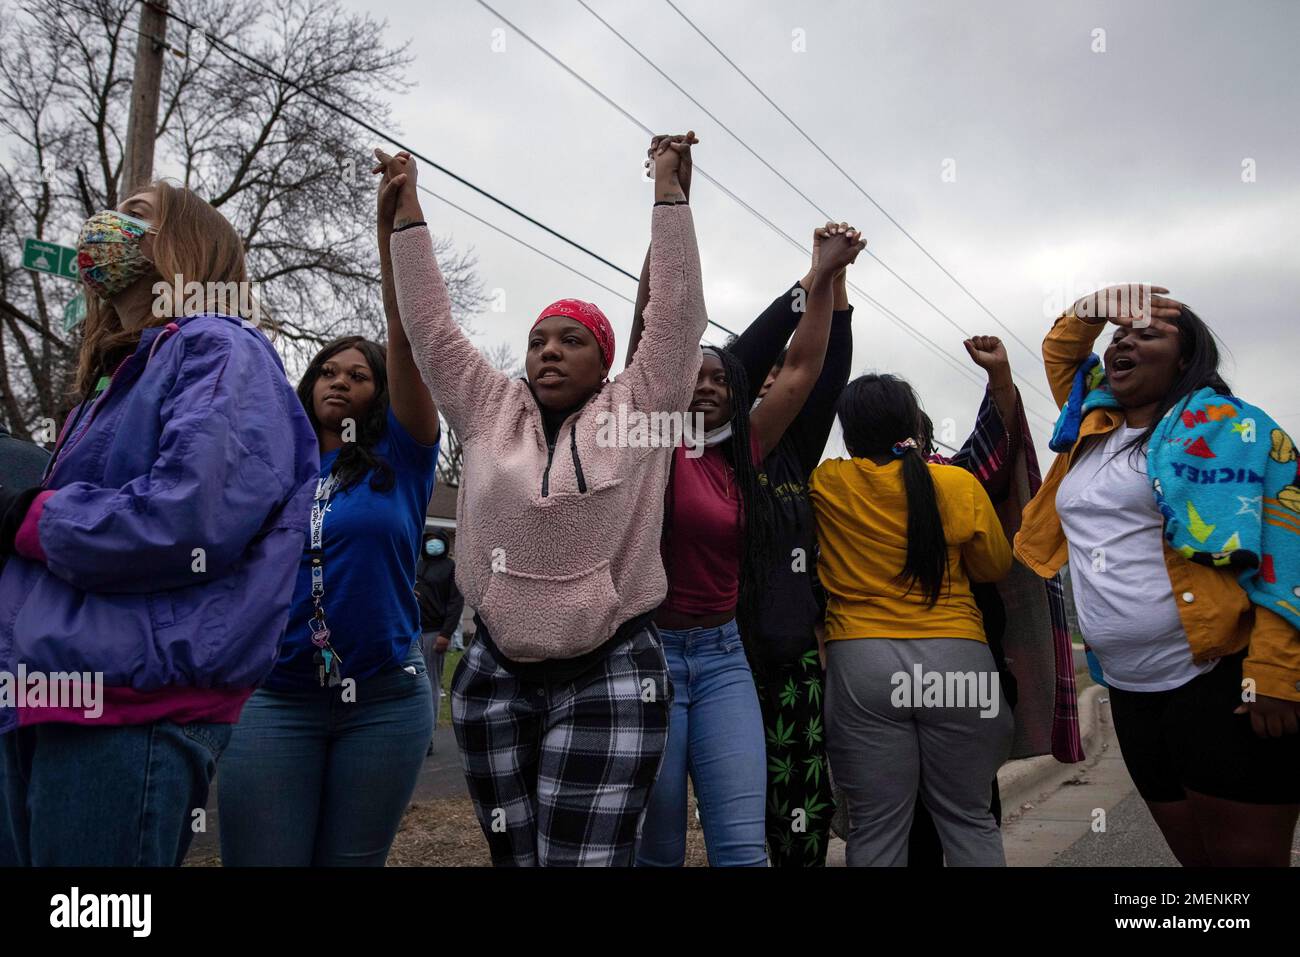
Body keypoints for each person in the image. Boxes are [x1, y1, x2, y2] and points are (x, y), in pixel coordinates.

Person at [378, 133, 708, 866]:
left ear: (605, 358)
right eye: (536, 341)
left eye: (570, 340)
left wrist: (668, 191)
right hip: (495, 675)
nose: (548, 351)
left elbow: (679, 315)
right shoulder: (487, 406)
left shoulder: (640, 410)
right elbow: (430, 329)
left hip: (611, 670)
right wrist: (407, 214)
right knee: (515, 857)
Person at [0, 183, 318, 866]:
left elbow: (189, 516)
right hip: (46, 694)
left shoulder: (221, 348)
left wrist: (30, 516)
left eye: (137, 214)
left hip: (132, 707)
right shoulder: (116, 380)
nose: (106, 226)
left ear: (188, 244)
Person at [1015, 284, 1300, 866]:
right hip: (1129, 688)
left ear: (1185, 359)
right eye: (1120, 336)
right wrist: (1096, 307)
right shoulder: (1090, 424)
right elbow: (1062, 352)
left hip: (1223, 680)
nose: (1124, 342)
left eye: (1149, 335)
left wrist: (1275, 671)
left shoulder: (1237, 428)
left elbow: (1288, 551)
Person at [218, 157, 442, 867]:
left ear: (379, 393)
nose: (341, 380)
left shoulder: (402, 458)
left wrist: (392, 230)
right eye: (329, 370)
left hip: (383, 699)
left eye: (359, 374)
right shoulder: (268, 463)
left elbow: (406, 335)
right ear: (308, 382)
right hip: (275, 698)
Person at [634, 207, 866, 868]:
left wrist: (822, 281)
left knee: (741, 847)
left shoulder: (748, 452)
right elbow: (652, 328)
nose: (706, 387)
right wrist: (669, 203)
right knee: (660, 845)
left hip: (722, 655)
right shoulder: (644, 442)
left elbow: (802, 368)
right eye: (694, 378)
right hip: (651, 654)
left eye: (720, 381)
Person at [812, 373, 1015, 866]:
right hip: (959, 661)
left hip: (863, 663)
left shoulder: (827, 482)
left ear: (847, 429)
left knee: (878, 828)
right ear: (912, 425)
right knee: (970, 819)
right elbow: (994, 567)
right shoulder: (957, 483)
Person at [899, 335, 1084, 866]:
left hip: (962, 657)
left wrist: (999, 378)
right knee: (899, 808)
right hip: (881, 663)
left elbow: (996, 445)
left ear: (923, 434)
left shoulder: (956, 478)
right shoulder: (845, 487)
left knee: (970, 802)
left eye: (905, 425)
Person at [415, 527, 465, 748]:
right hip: (413, 632)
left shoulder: (450, 568)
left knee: (431, 684)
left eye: (438, 541)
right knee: (413, 685)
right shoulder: (417, 566)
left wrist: (446, 634)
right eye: (429, 541)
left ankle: (428, 736)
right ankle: (414, 733)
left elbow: (455, 603)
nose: (433, 545)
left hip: (435, 633)